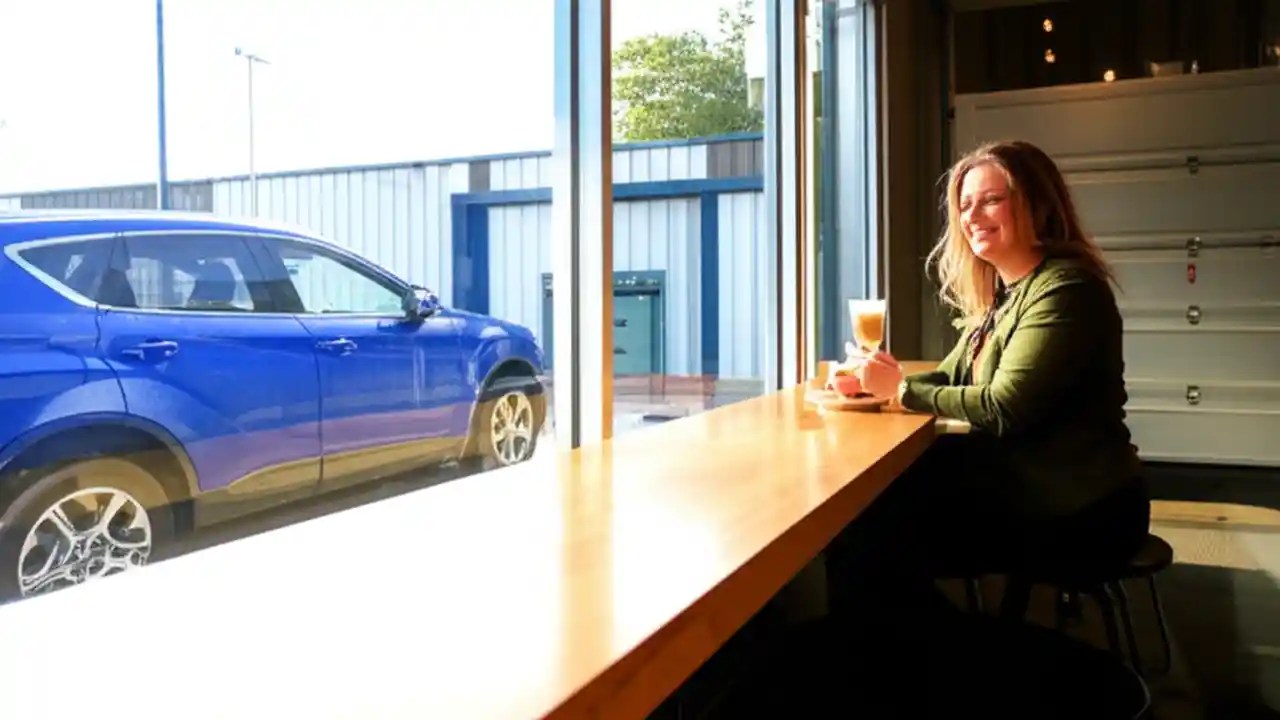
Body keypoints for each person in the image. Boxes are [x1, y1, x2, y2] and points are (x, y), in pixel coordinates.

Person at [827, 139, 1150, 624]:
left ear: (1039, 205)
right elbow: (951, 375)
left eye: (991, 200)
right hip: (1033, 488)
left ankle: (940, 659)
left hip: (1084, 509)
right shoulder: (1005, 295)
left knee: (869, 535)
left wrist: (900, 390)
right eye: (965, 205)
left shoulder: (1067, 289)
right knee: (870, 516)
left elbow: (1005, 407)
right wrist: (872, 383)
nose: (972, 216)